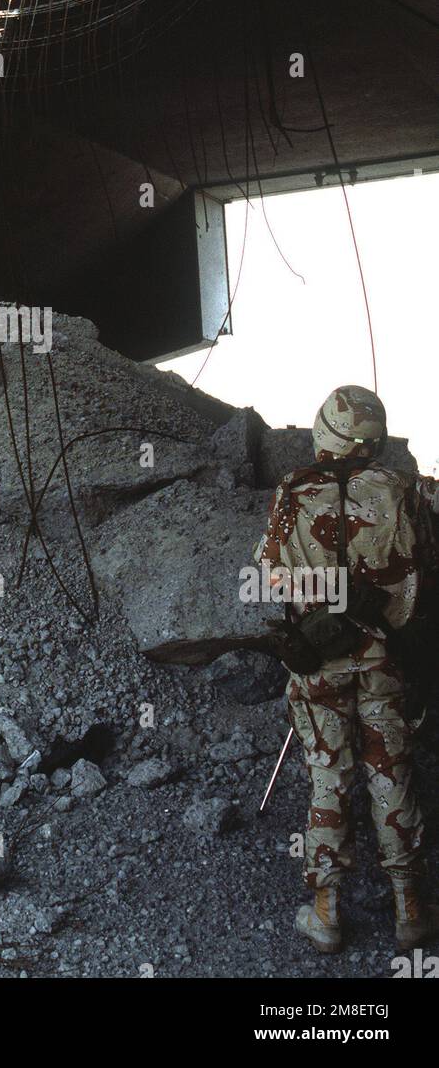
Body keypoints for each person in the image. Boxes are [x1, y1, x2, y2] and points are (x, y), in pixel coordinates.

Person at [256, 385, 436, 953]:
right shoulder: (401, 490)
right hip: (385, 660)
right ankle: (411, 909)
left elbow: (267, 575)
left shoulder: (292, 490)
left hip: (318, 664)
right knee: (392, 774)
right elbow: (424, 570)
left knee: (328, 776)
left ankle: (327, 912)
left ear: (323, 431)